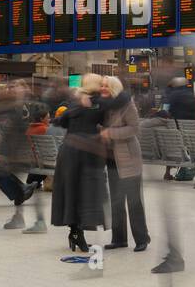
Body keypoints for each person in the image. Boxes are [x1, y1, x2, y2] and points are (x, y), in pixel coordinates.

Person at [51, 73, 126, 252]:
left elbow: (60, 121)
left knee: (71, 192)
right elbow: (123, 99)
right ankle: (77, 233)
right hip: (86, 153)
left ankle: (75, 233)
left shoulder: (76, 101)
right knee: (85, 195)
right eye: (101, 83)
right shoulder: (98, 102)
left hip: (68, 151)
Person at [100, 76, 150, 252]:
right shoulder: (103, 106)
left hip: (128, 159)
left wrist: (110, 133)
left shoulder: (126, 104)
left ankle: (142, 239)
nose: (102, 88)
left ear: (114, 88)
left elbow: (134, 128)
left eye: (106, 86)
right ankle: (119, 238)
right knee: (116, 201)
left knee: (133, 200)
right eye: (102, 85)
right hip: (112, 159)